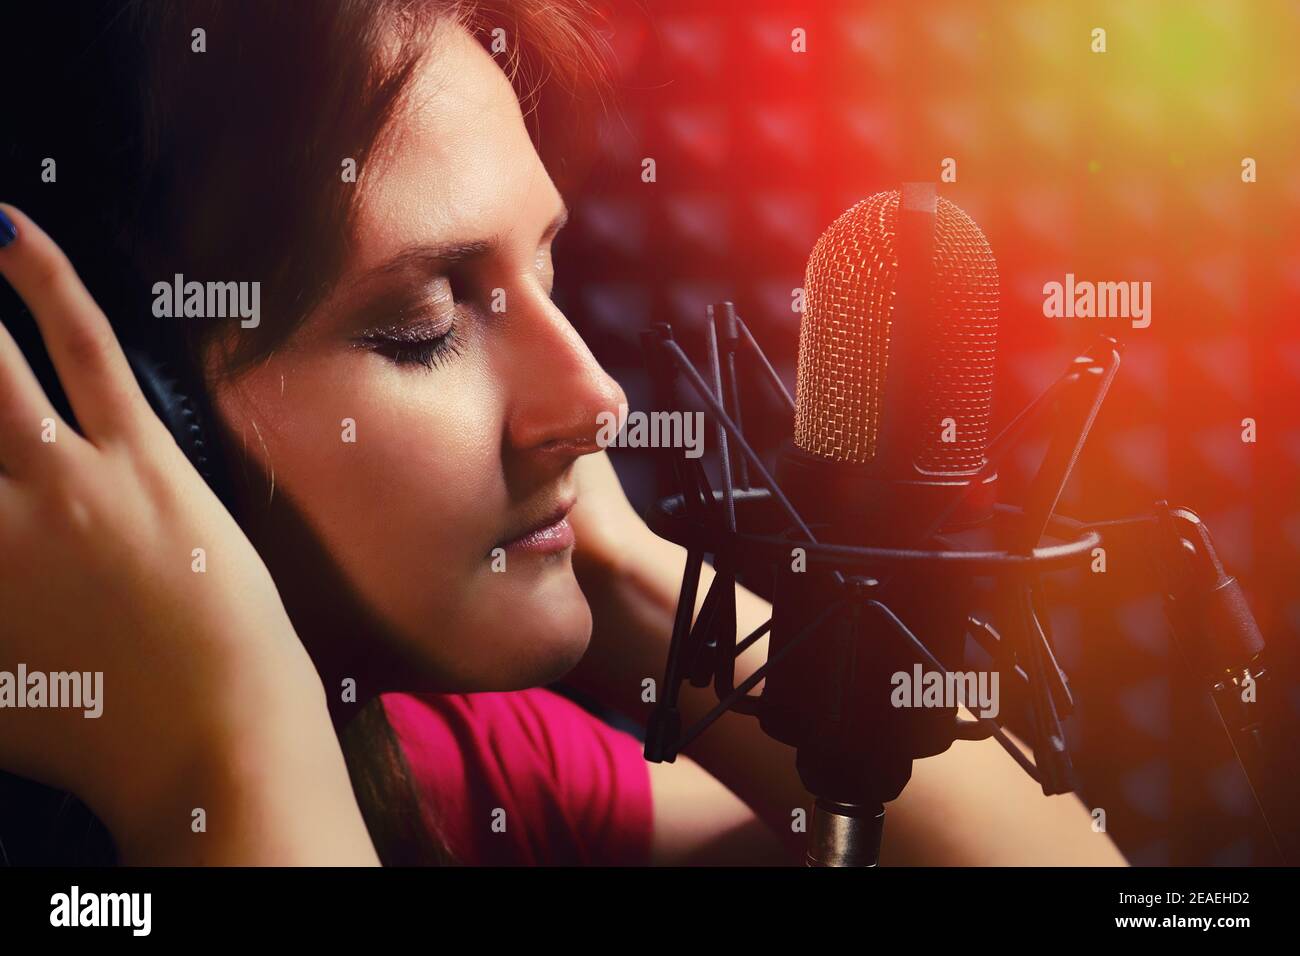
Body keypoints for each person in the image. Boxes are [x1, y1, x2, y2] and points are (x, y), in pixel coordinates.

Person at [0, 0, 1126, 866]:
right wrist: (217, 763)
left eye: (548, 271)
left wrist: (631, 577)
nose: (598, 396)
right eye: (422, 326)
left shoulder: (459, 770)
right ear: (149, 410)